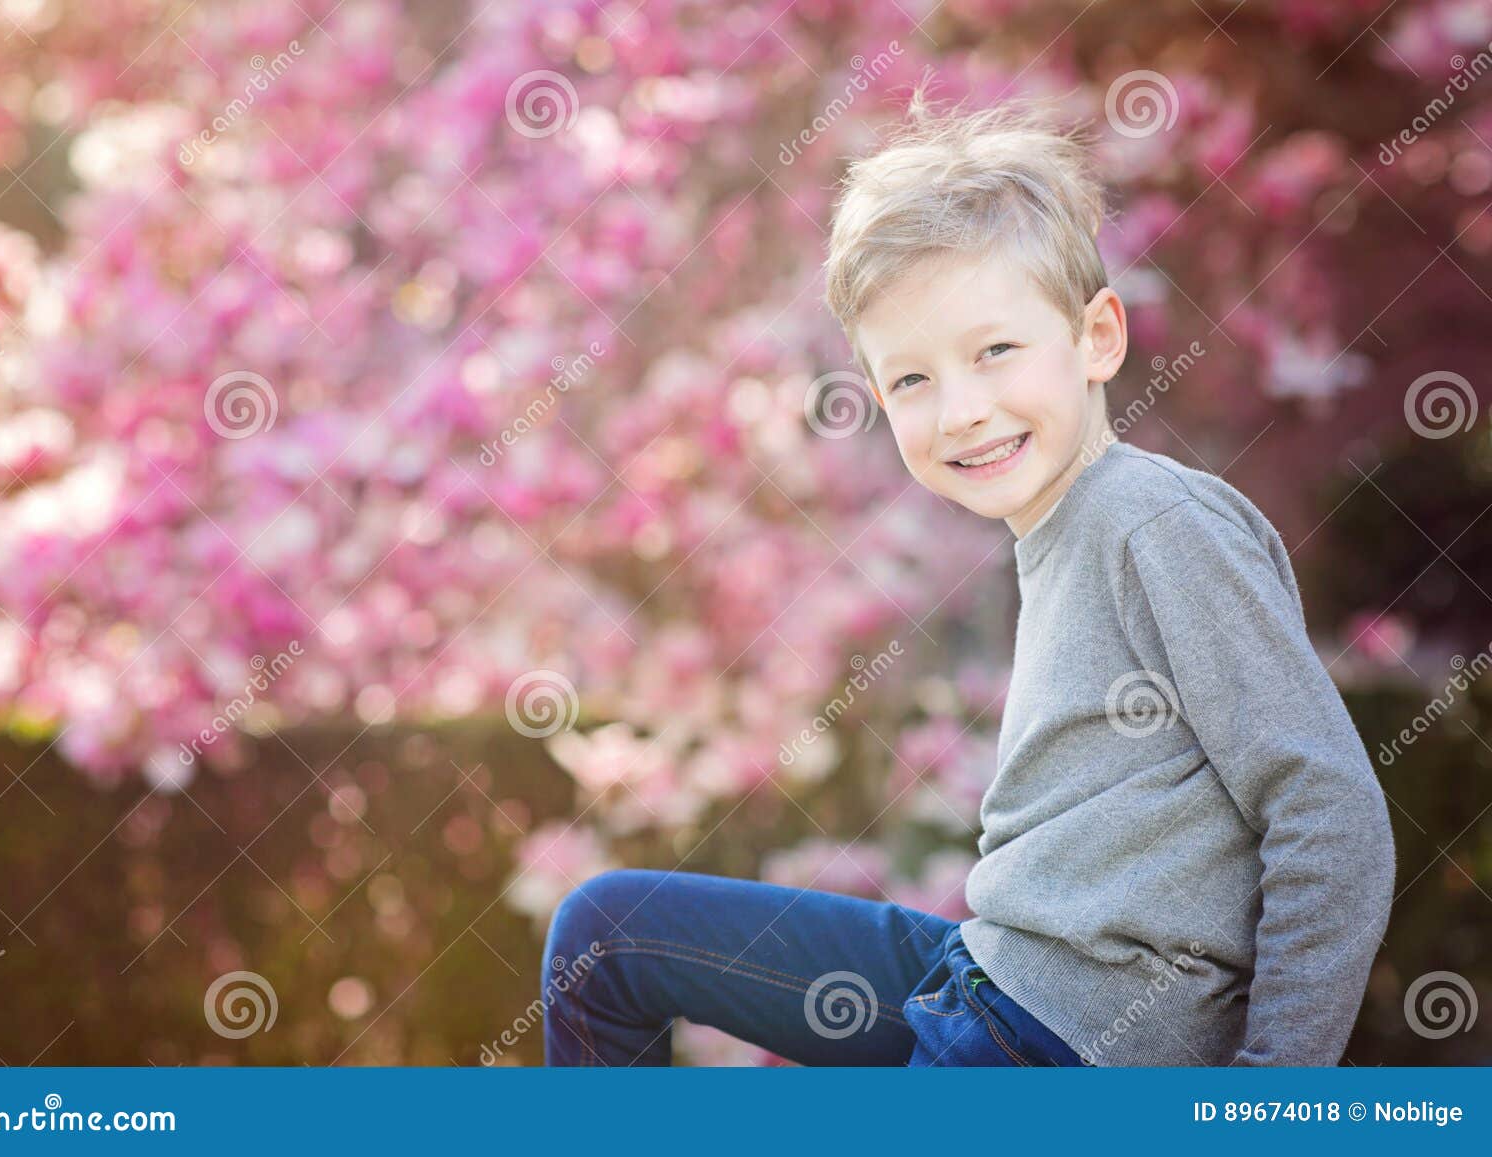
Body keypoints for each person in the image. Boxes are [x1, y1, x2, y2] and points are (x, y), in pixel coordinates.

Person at [541, 89, 1397, 1067]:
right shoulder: (1064, 529)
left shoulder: (1151, 519)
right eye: (913, 379)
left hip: (1047, 1042)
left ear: (1097, 337)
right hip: (988, 973)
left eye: (994, 351)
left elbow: (1329, 812)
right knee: (606, 938)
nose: (960, 410)